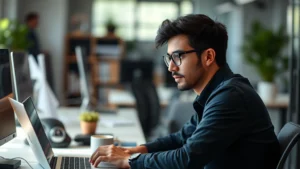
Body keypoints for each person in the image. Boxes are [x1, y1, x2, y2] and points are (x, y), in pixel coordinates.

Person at [89, 14, 280, 169]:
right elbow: (181, 138)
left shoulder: (230, 97)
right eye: (169, 58)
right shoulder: (216, 94)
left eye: (178, 56)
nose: (171, 67)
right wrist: (131, 151)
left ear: (208, 56)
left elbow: (187, 158)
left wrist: (128, 162)